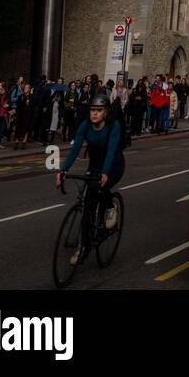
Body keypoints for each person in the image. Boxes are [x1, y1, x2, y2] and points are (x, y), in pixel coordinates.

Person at [56, 94, 125, 260]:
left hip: (114, 165)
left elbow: (110, 151)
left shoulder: (113, 126)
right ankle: (84, 247)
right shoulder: (85, 126)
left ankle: (110, 207)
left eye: (98, 110)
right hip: (94, 166)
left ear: (106, 112)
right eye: (92, 110)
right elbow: (75, 150)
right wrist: (63, 170)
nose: (94, 113)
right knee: (87, 202)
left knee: (100, 189)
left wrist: (105, 173)